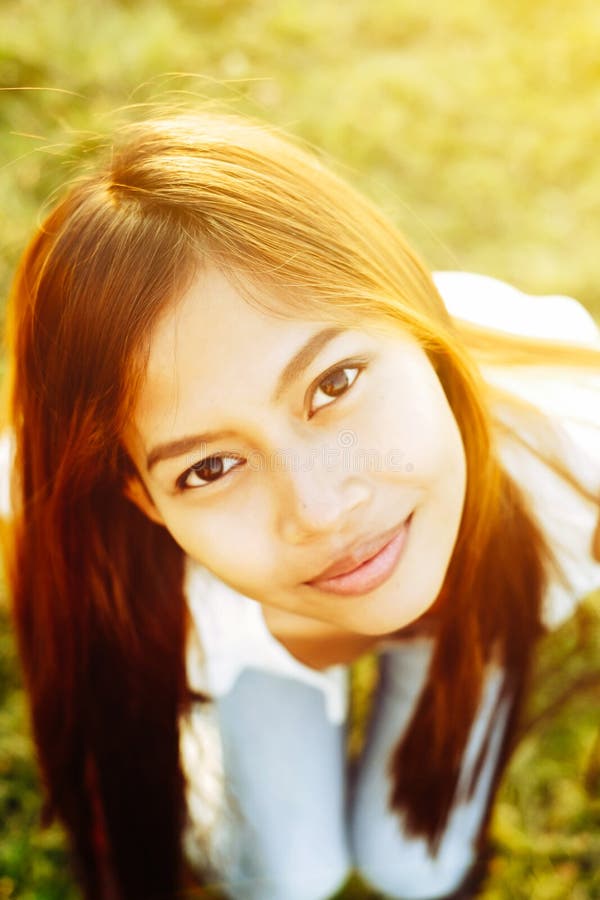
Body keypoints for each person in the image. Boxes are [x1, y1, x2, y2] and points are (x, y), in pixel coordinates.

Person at [2, 111, 600, 900]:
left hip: (481, 579)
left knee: (418, 865)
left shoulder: (570, 439)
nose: (320, 511)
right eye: (211, 466)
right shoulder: (111, 558)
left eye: (336, 383)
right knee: (292, 878)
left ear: (419, 326)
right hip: (251, 631)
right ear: (142, 499)